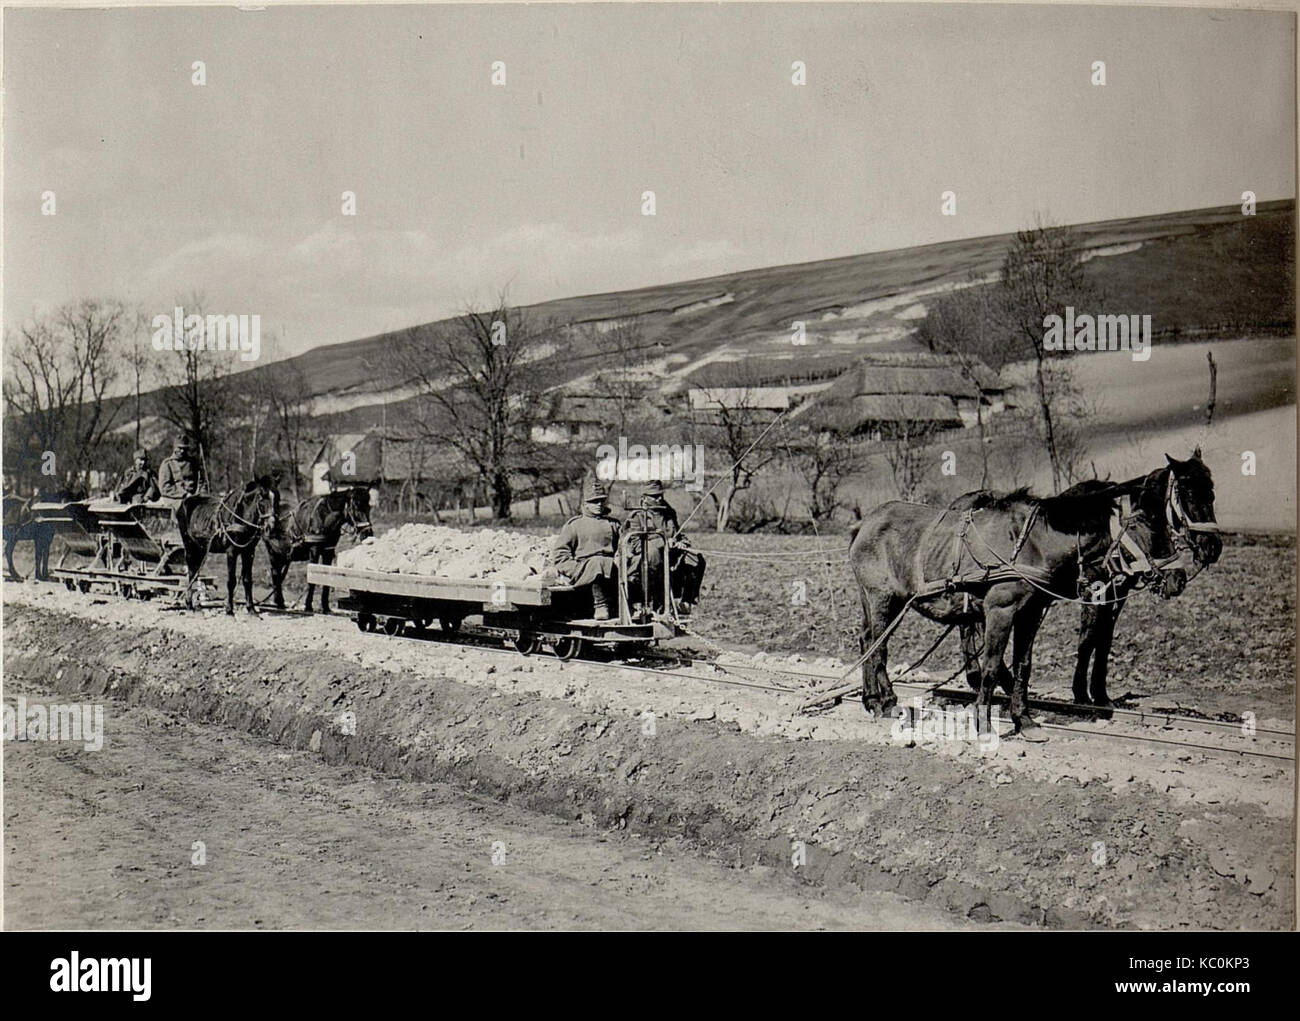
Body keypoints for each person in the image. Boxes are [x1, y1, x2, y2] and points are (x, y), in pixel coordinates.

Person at [624, 480, 706, 614]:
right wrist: (664, 543)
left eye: (660, 495)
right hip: (645, 560)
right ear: (644, 498)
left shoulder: (669, 514)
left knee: (696, 559)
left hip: (671, 556)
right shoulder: (636, 516)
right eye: (654, 496)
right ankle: (653, 602)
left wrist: (682, 543)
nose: (659, 499)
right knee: (653, 554)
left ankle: (686, 601)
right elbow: (637, 546)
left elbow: (679, 534)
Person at [552, 478, 620, 621]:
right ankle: (600, 604)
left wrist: (622, 556)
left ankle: (637, 603)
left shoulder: (614, 524)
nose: (599, 504)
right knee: (597, 562)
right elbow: (560, 554)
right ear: (585, 504)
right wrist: (574, 569)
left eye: (602, 501)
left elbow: (624, 545)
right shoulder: (575, 525)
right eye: (594, 501)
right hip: (587, 569)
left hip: (611, 566)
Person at [158, 437, 202, 502]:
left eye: (185, 448)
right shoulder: (167, 464)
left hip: (194, 497)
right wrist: (184, 494)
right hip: (175, 498)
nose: (182, 451)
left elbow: (201, 481)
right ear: (174, 448)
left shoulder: (193, 462)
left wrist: (200, 492)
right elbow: (164, 488)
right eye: (180, 448)